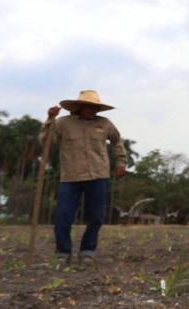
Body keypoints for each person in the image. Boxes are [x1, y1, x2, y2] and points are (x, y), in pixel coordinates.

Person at [40, 90, 127, 263]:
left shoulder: (105, 123)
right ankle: (63, 252)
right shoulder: (63, 123)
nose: (92, 110)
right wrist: (50, 119)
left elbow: (117, 141)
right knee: (63, 216)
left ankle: (88, 250)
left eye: (95, 107)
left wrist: (121, 161)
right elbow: (46, 140)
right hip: (70, 176)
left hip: (98, 175)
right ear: (79, 107)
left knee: (96, 216)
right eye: (88, 106)